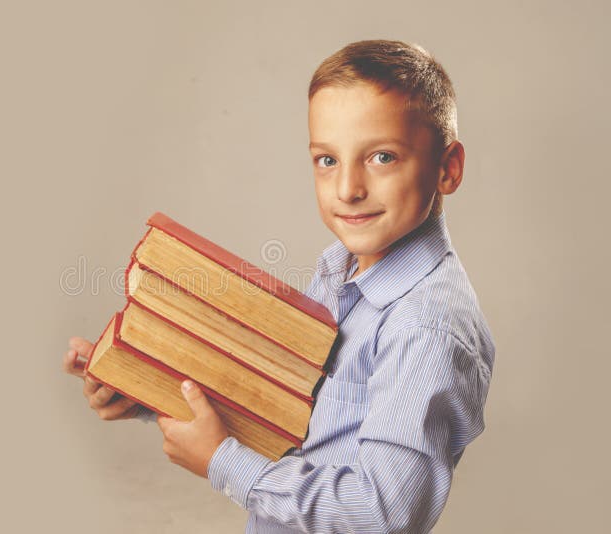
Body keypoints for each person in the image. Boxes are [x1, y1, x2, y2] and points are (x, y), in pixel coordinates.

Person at [63, 39, 495, 533]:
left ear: (448, 168)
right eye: (327, 160)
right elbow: (290, 416)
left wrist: (223, 461)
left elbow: (383, 513)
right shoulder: (340, 270)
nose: (348, 188)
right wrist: (149, 386)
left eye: (382, 157)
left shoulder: (428, 325)